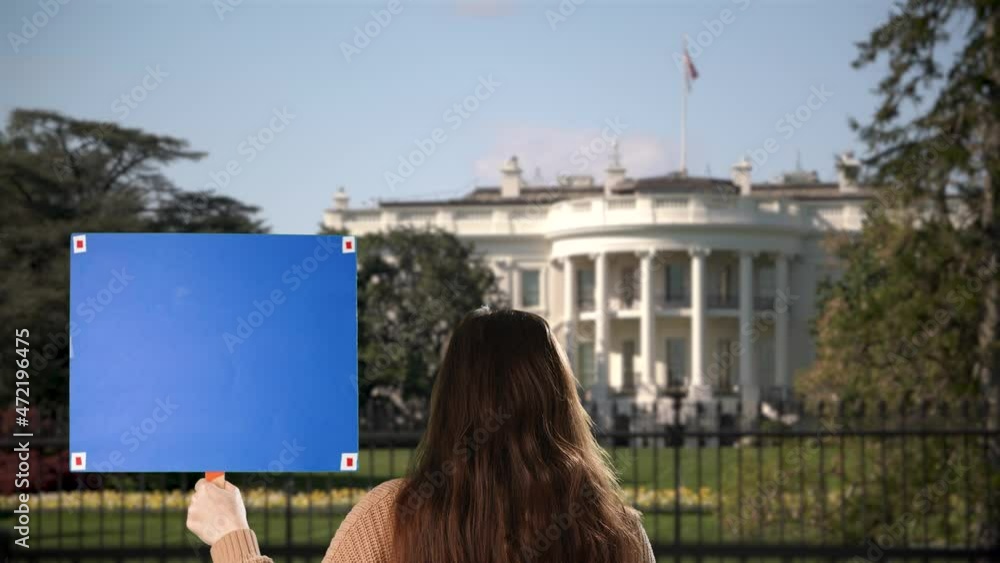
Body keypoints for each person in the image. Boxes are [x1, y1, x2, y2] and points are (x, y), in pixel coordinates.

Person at [187, 307, 655, 562]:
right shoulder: (617, 532)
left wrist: (233, 537)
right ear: (560, 399)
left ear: (452, 399)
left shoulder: (392, 518)